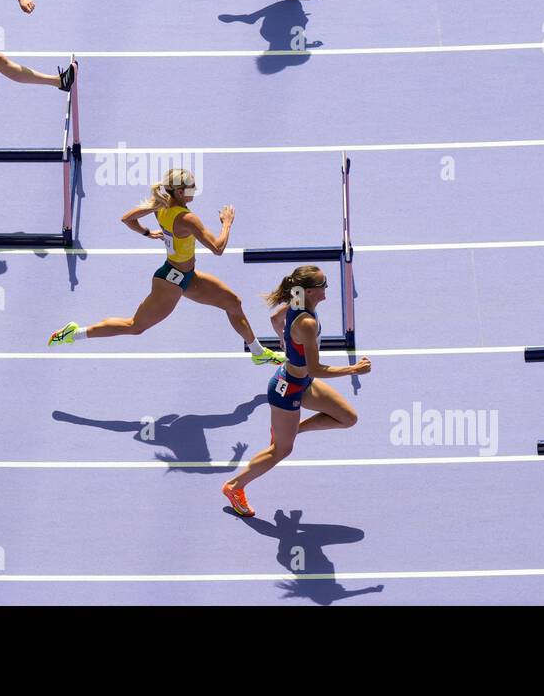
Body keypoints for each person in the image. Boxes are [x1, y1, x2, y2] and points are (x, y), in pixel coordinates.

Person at [47, 169, 285, 366]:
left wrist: (148, 232)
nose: (194, 192)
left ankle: (258, 352)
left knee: (233, 303)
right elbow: (218, 248)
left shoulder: (160, 205)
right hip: (170, 281)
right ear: (180, 192)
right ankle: (74, 333)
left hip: (187, 276)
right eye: (191, 188)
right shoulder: (187, 218)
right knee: (135, 326)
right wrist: (227, 224)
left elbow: (127, 218)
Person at [221, 265, 371, 517]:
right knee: (281, 450)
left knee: (348, 418)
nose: (327, 289)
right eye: (324, 285)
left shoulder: (299, 301)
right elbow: (316, 367)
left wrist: (286, 340)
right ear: (311, 291)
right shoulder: (308, 323)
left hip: (303, 384)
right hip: (287, 390)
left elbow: (275, 320)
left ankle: (290, 430)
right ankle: (234, 486)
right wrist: (353, 370)